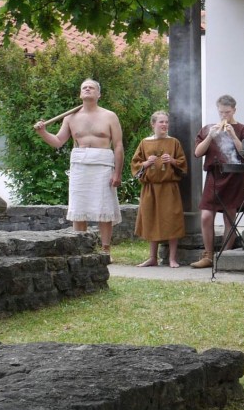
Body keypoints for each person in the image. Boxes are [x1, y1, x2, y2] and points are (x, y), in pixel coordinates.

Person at [33, 78, 123, 253]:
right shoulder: (70, 117)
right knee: (79, 208)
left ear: (99, 94)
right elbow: (58, 141)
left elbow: (118, 145)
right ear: (80, 93)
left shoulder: (109, 116)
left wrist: (117, 173)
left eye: (91, 87)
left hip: (103, 164)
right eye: (84, 87)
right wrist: (43, 132)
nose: (87, 89)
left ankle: (106, 250)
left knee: (104, 208)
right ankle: (80, 249)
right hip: (80, 165)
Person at [189, 95, 244, 269]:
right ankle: (208, 255)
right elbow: (197, 153)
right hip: (214, 176)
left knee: (230, 217)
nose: (224, 115)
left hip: (234, 177)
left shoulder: (243, 129)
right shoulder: (208, 129)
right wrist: (210, 136)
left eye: (228, 112)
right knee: (206, 216)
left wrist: (232, 135)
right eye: (221, 112)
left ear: (234, 110)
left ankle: (225, 255)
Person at [130, 110, 187, 268]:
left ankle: (172, 259)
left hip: (169, 187)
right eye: (161, 122)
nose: (164, 125)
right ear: (153, 124)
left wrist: (174, 161)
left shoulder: (174, 142)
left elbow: (183, 164)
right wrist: (146, 163)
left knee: (172, 220)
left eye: (166, 122)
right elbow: (135, 165)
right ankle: (152, 257)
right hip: (150, 188)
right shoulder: (144, 143)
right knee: (151, 219)